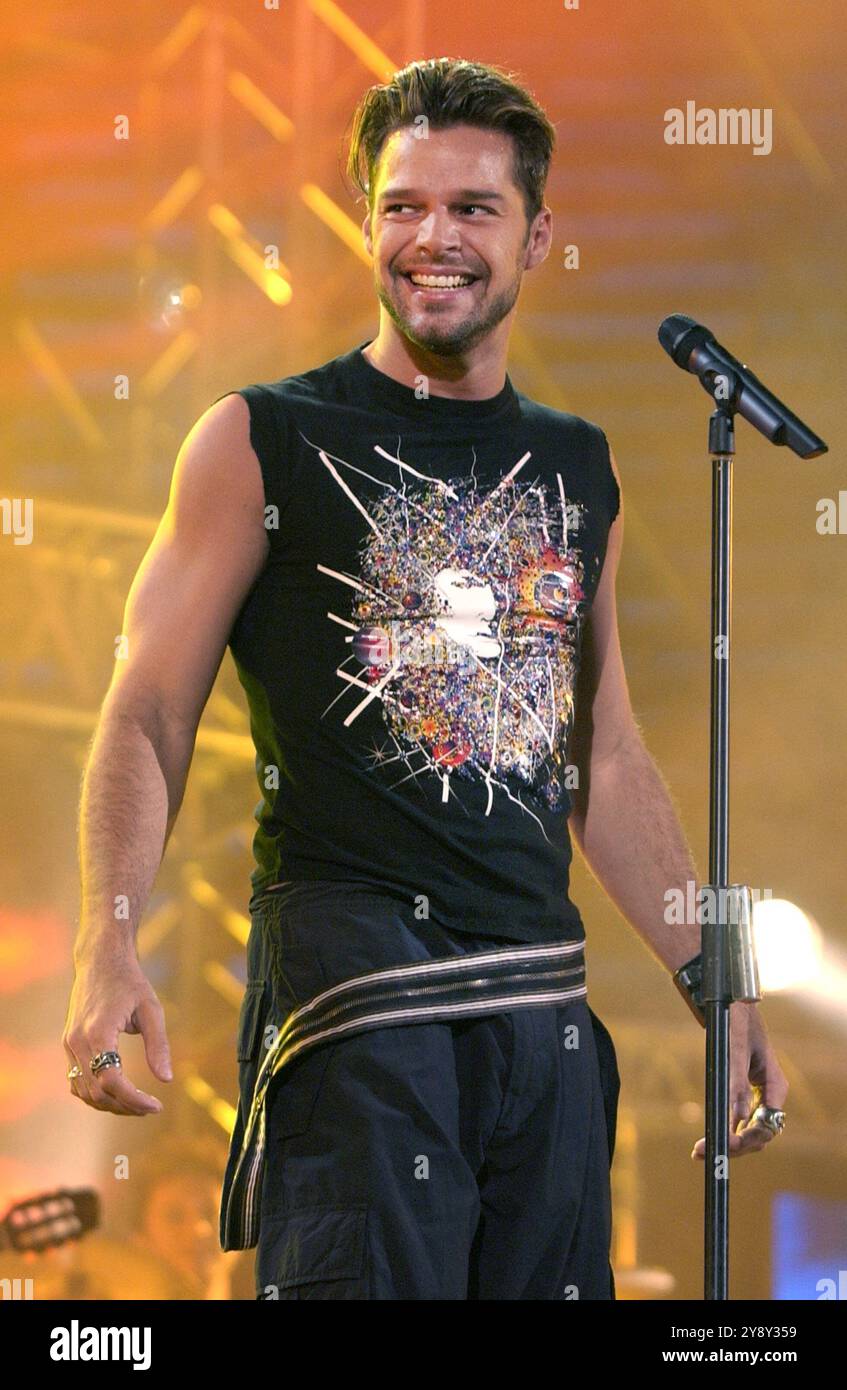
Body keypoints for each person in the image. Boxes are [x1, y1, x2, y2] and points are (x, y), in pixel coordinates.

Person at [63, 57, 789, 1300]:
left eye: (471, 209)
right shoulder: (262, 437)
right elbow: (145, 708)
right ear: (368, 220)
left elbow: (605, 758)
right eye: (402, 206)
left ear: (537, 236)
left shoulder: (576, 466)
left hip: (542, 1041)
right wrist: (109, 936)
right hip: (362, 1025)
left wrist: (713, 981)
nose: (431, 239)